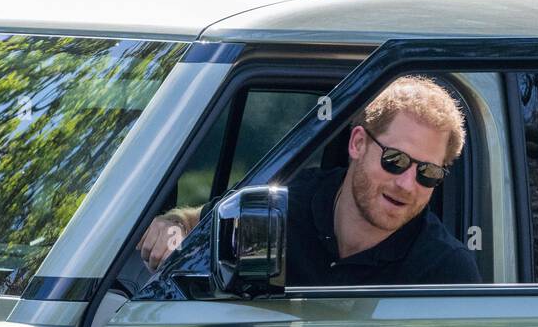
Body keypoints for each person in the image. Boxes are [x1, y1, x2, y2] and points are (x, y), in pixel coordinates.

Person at [136, 75, 482, 286]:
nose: (407, 184)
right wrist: (173, 224)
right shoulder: (293, 203)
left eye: (428, 173)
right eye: (396, 161)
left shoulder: (445, 270)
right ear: (357, 143)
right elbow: (202, 221)